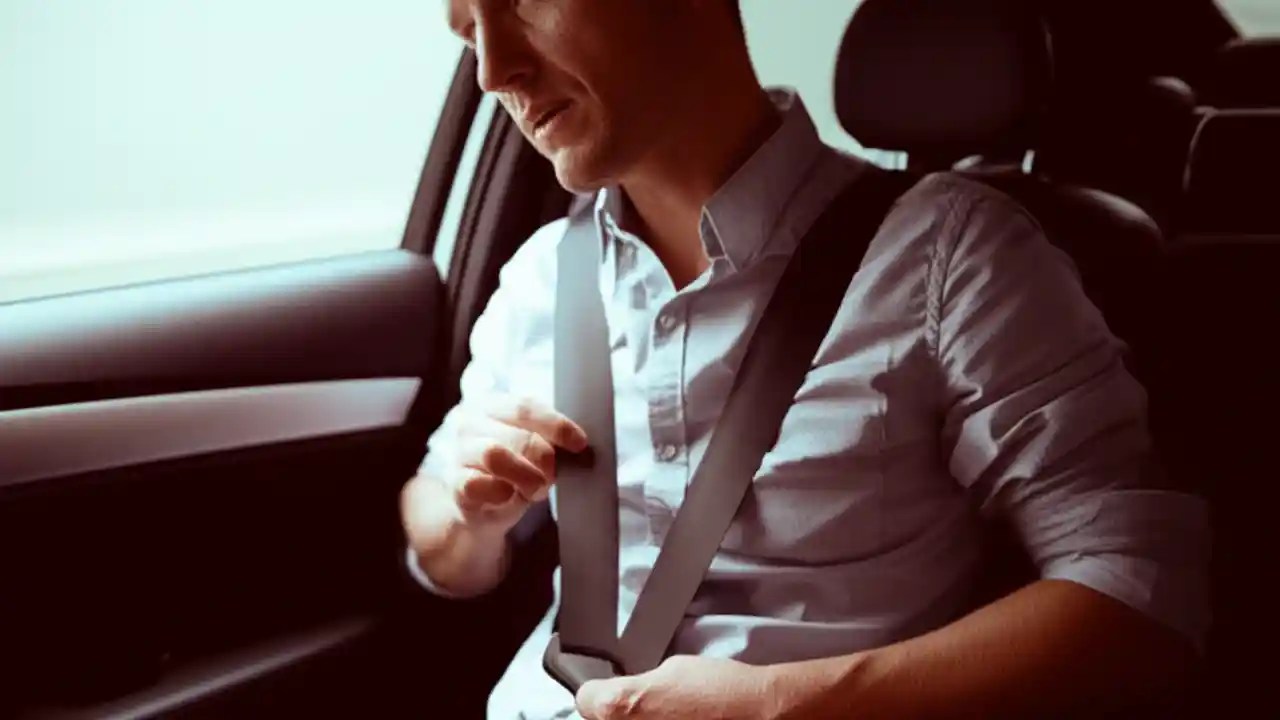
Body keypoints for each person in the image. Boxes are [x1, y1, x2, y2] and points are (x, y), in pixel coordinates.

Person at [400, 1, 1210, 718]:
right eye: (471, 32)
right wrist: (471, 517)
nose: (495, 69)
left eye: (524, 2)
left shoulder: (953, 257)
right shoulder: (543, 275)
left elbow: (1141, 599)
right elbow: (438, 534)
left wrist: (785, 703)